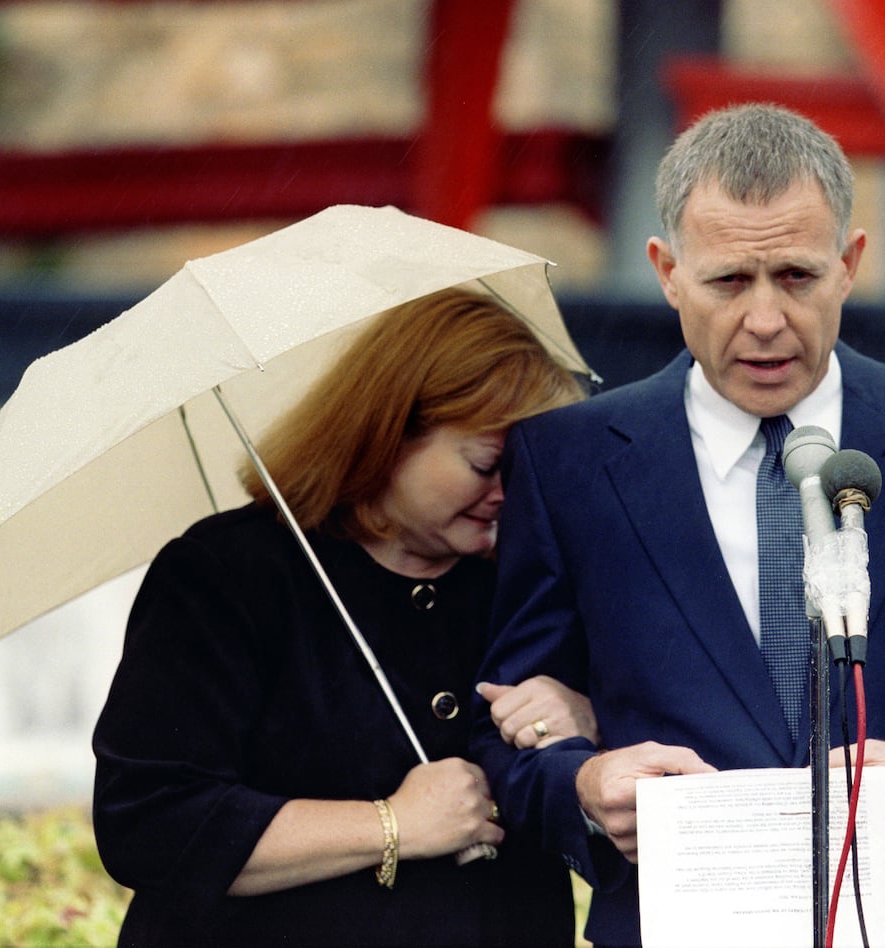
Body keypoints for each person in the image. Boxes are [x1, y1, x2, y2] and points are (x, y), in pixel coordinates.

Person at [470, 103, 885, 946]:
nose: (765, 320)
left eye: (797, 277)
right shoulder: (565, 459)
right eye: (729, 280)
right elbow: (501, 727)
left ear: (851, 264)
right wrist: (583, 787)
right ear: (666, 272)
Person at [93, 287, 596, 946]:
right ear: (391, 432)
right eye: (486, 464)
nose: (508, 493)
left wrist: (586, 722)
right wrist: (392, 825)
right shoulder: (227, 575)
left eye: (530, 469)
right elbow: (150, 822)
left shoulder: (533, 579)